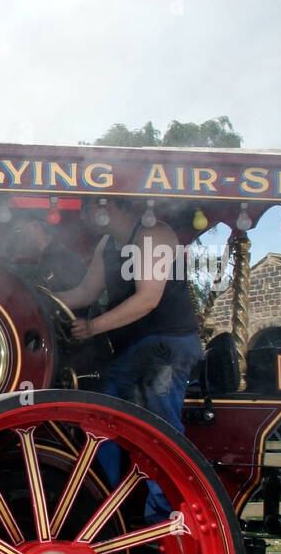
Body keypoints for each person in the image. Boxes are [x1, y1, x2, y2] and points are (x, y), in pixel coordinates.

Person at [58, 199, 202, 524]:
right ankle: (102, 510)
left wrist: (93, 327)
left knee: (158, 430)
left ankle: (169, 519)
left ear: (109, 205)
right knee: (101, 419)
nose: (83, 215)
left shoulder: (154, 235)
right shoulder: (107, 244)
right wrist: (37, 298)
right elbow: (85, 292)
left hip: (167, 344)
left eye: (89, 207)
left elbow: (148, 299)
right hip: (131, 349)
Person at [11, 211, 87, 293]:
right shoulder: (54, 254)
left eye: (19, 229)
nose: (18, 235)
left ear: (35, 226)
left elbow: (48, 295)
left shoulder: (59, 257)